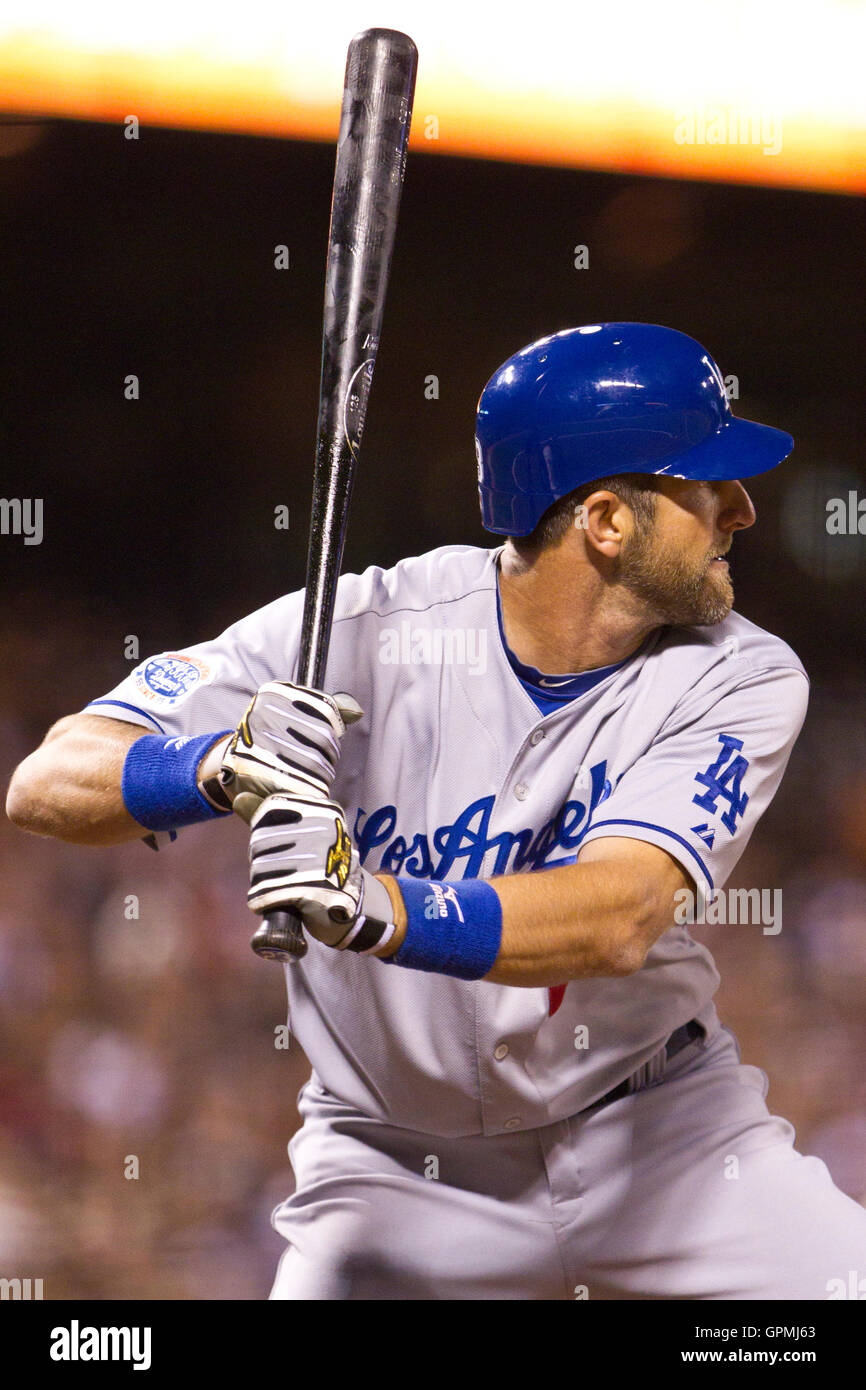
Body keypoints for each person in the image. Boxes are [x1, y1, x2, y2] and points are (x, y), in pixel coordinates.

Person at [9, 323, 866, 1300]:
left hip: (656, 1138)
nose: (742, 510)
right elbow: (47, 783)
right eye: (704, 484)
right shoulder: (360, 628)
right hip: (394, 1165)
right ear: (604, 521)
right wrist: (216, 763)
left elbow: (621, 912)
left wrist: (377, 906)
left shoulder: (741, 670)